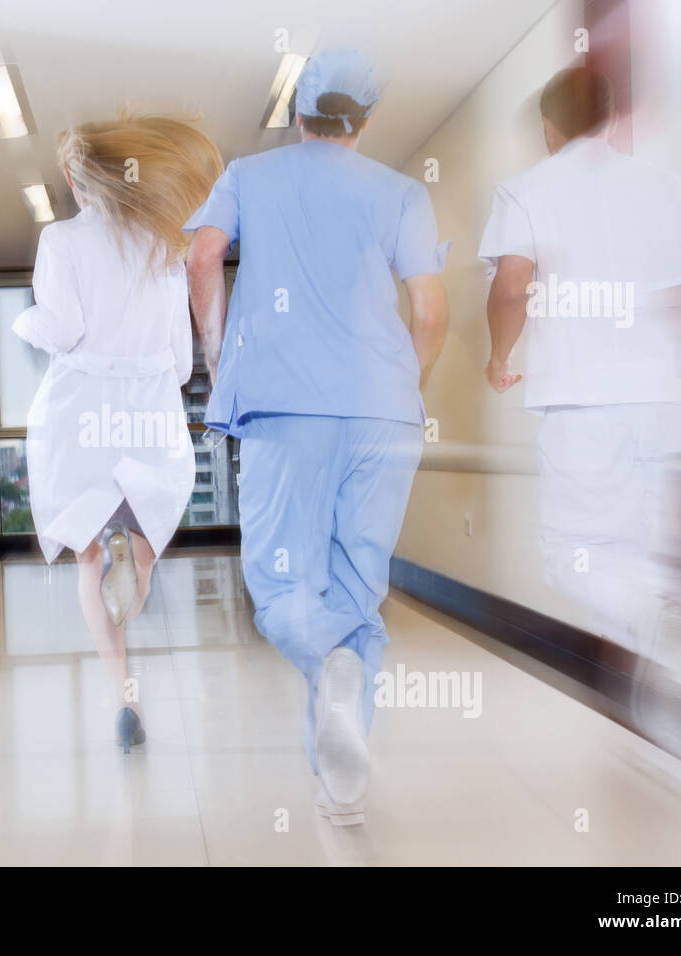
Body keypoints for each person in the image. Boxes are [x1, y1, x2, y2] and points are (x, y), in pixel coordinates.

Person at [185, 49, 449, 825]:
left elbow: (202, 256)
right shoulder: (403, 193)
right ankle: (342, 788)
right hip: (385, 415)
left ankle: (330, 669)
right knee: (358, 588)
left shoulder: (248, 175)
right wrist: (403, 384)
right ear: (365, 120)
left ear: (297, 112)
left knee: (281, 585)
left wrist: (218, 357)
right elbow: (431, 312)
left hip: (285, 407)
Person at [478, 67, 681, 742]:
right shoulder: (671, 190)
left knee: (572, 556)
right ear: (612, 118)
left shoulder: (529, 189)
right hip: (670, 399)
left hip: (584, 400)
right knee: (650, 554)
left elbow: (511, 289)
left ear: (549, 127)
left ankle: (655, 624)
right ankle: (663, 711)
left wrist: (499, 358)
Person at [13, 115, 222, 752]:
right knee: (144, 541)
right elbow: (179, 358)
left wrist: (25, 324)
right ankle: (132, 564)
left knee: (88, 557)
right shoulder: (162, 242)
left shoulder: (61, 240)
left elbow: (62, 327)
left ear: (75, 179)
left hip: (81, 408)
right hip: (147, 408)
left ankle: (123, 694)